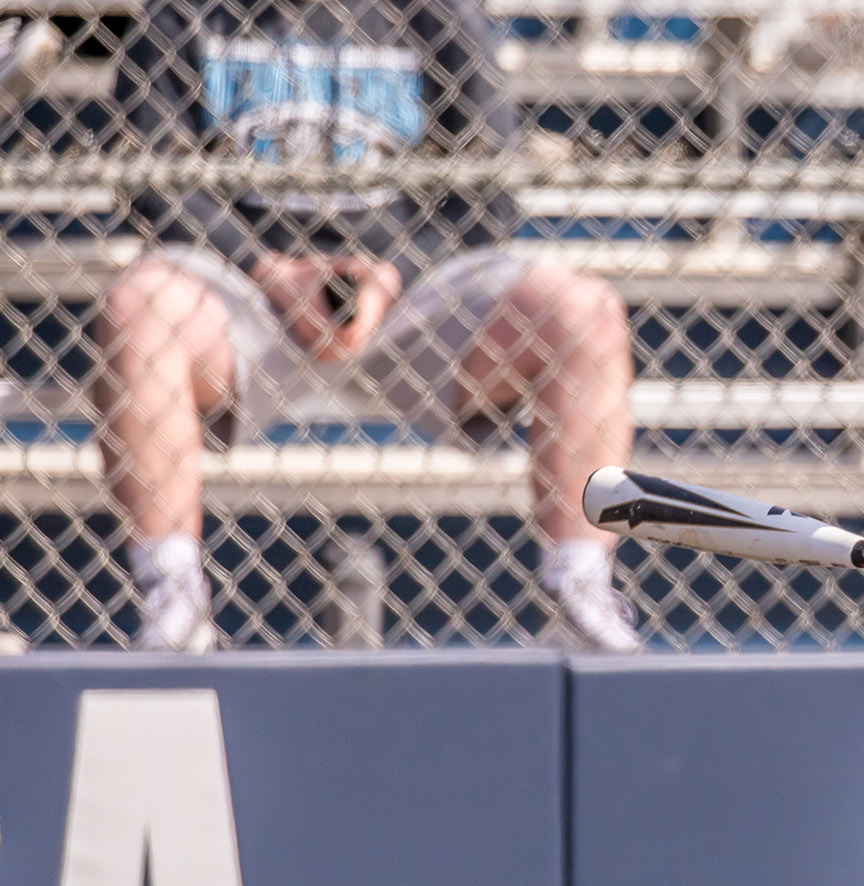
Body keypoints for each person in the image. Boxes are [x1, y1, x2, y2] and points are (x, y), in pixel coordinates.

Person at [94, 0, 639, 651]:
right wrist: (266, 270)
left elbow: (494, 187)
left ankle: (580, 588)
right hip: (242, 289)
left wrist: (393, 272)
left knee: (584, 310)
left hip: (409, 294)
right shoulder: (186, 11)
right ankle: (172, 595)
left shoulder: (435, 10)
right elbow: (147, 178)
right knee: (137, 306)